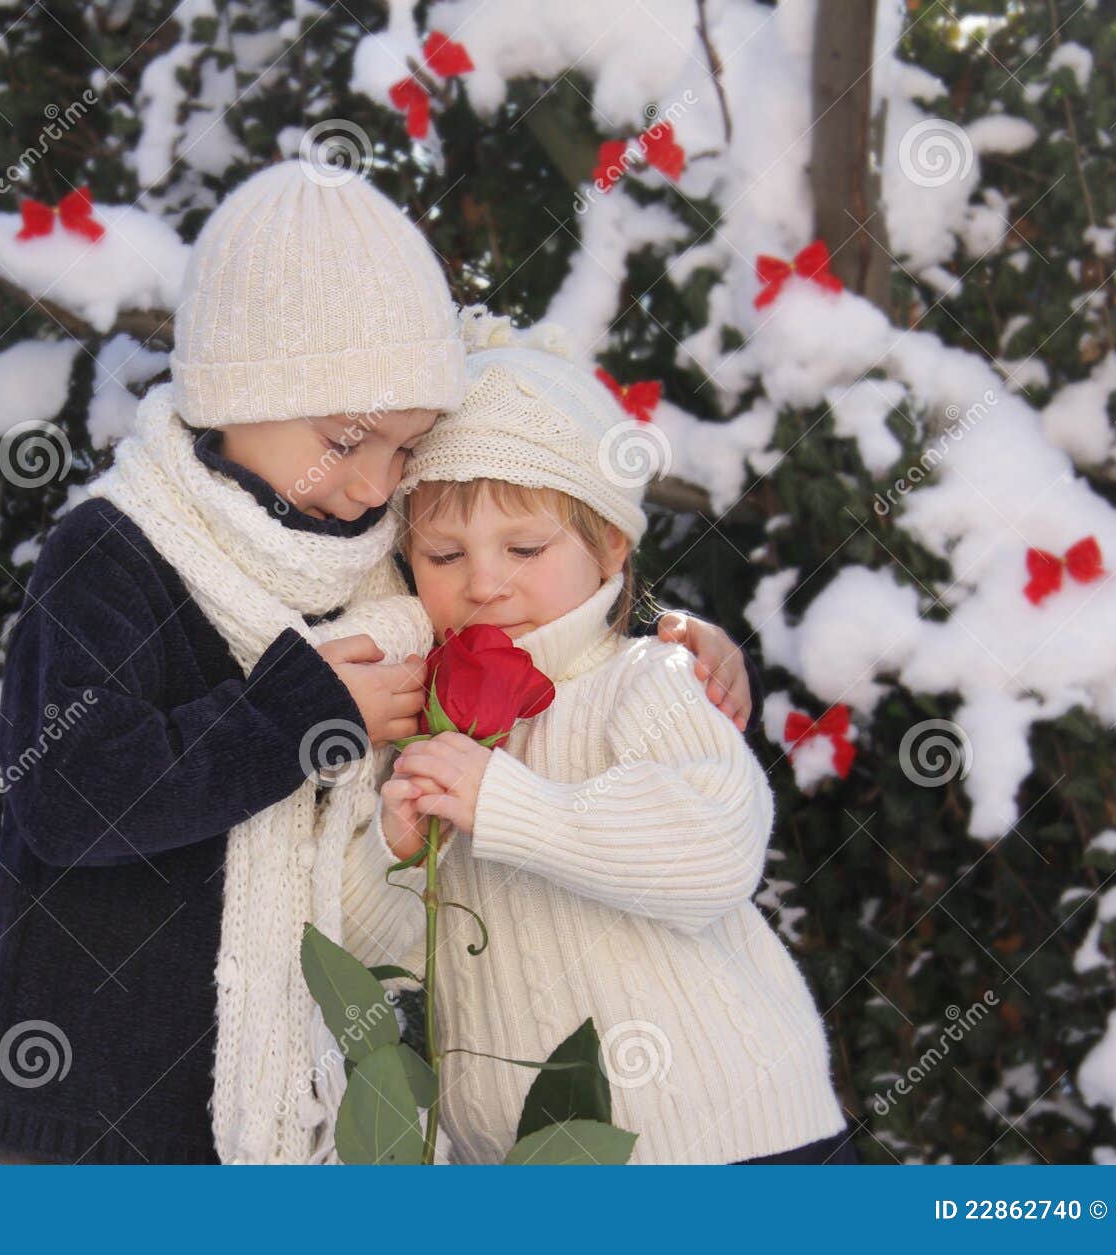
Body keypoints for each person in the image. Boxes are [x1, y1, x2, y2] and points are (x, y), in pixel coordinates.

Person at [0, 163, 754, 1164]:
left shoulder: (366, 565)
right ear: (235, 394)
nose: (377, 485)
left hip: (293, 1118)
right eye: (347, 441)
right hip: (93, 1114)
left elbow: (528, 600)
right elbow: (70, 796)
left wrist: (671, 639)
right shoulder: (115, 553)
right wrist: (297, 716)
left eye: (406, 447)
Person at [342, 326, 855, 1164]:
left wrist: (510, 804)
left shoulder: (645, 679)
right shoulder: (423, 736)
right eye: (443, 553)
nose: (484, 581)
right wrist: (393, 853)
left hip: (728, 1142)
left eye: (524, 547)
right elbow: (364, 953)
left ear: (611, 542)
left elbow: (717, 846)